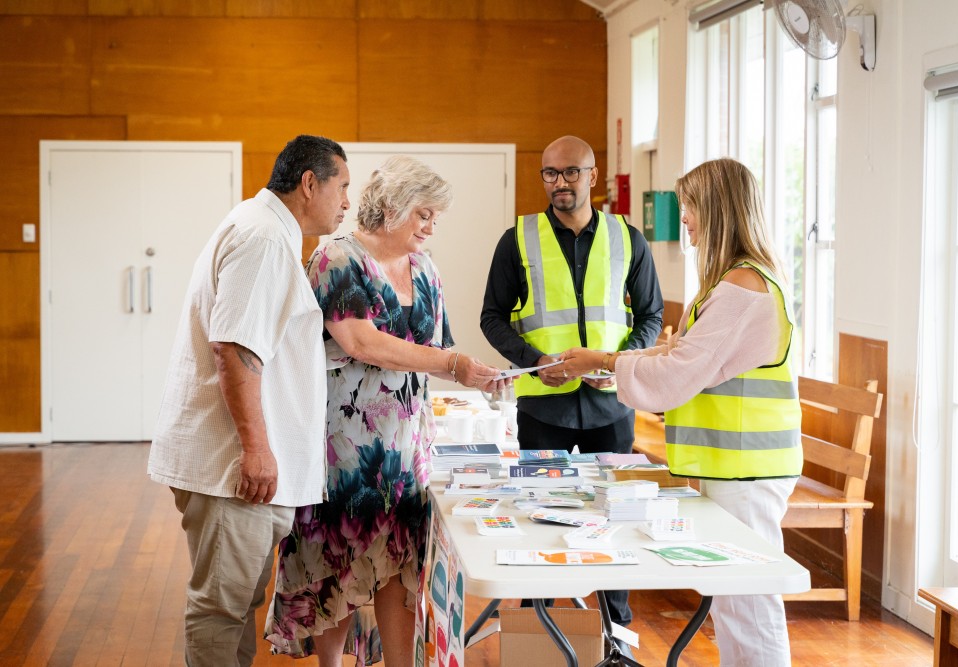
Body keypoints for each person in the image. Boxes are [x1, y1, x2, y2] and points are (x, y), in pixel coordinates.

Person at [559, 157, 803, 667]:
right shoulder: (734, 282)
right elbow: (680, 357)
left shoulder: (744, 288)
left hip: (746, 470)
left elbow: (679, 372)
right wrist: (619, 365)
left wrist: (606, 360)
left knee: (750, 603)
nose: (684, 219)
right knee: (735, 604)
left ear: (716, 210)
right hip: (731, 467)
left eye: (689, 207)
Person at [265, 155, 508, 667]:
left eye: (436, 216)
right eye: (424, 213)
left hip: (407, 451)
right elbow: (360, 341)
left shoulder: (426, 269)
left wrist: (480, 374)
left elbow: (439, 352)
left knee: (400, 569)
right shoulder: (337, 258)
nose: (431, 225)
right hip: (344, 451)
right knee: (339, 566)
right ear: (393, 206)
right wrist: (452, 361)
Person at [147, 134, 351, 666]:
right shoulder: (262, 238)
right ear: (310, 184)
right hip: (235, 469)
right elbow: (234, 348)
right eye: (343, 187)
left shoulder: (265, 231)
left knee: (238, 605)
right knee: (221, 609)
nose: (347, 202)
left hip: (243, 468)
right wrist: (257, 449)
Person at [479, 135, 663, 652]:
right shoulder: (517, 239)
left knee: (615, 518)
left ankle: (615, 640)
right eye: (550, 174)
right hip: (544, 407)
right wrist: (535, 361)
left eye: (571, 173)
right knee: (538, 517)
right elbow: (491, 317)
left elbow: (651, 315)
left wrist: (620, 362)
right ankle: (536, 637)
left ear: (593, 176)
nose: (560, 183)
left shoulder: (629, 239)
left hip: (611, 408)